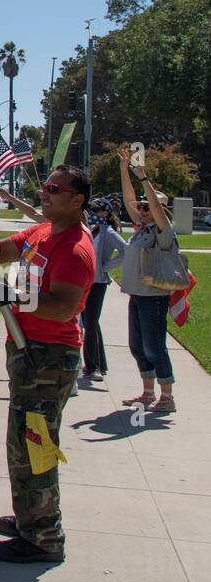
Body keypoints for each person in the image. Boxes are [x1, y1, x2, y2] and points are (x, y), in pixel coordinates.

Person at [0, 164, 95, 564]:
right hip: (29, 352)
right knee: (23, 441)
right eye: (46, 187)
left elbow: (64, 308)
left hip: (49, 358)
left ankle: (45, 538)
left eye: (54, 188)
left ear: (76, 199)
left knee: (34, 445)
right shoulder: (42, 232)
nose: (45, 193)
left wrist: (14, 297)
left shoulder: (75, 248)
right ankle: (31, 517)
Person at [118, 147, 179, 414]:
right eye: (141, 208)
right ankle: (147, 393)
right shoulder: (142, 228)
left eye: (146, 207)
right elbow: (128, 198)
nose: (142, 210)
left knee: (154, 347)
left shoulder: (164, 232)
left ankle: (167, 397)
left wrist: (144, 177)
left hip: (154, 297)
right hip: (137, 295)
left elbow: (155, 206)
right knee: (137, 346)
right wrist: (124, 170)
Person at [83, 199, 127, 381]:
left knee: (91, 323)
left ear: (105, 214)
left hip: (97, 283)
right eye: (91, 209)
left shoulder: (107, 232)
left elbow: (125, 250)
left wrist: (104, 266)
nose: (92, 213)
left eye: (96, 210)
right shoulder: (88, 229)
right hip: (84, 281)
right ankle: (100, 363)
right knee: (90, 323)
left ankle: (93, 367)